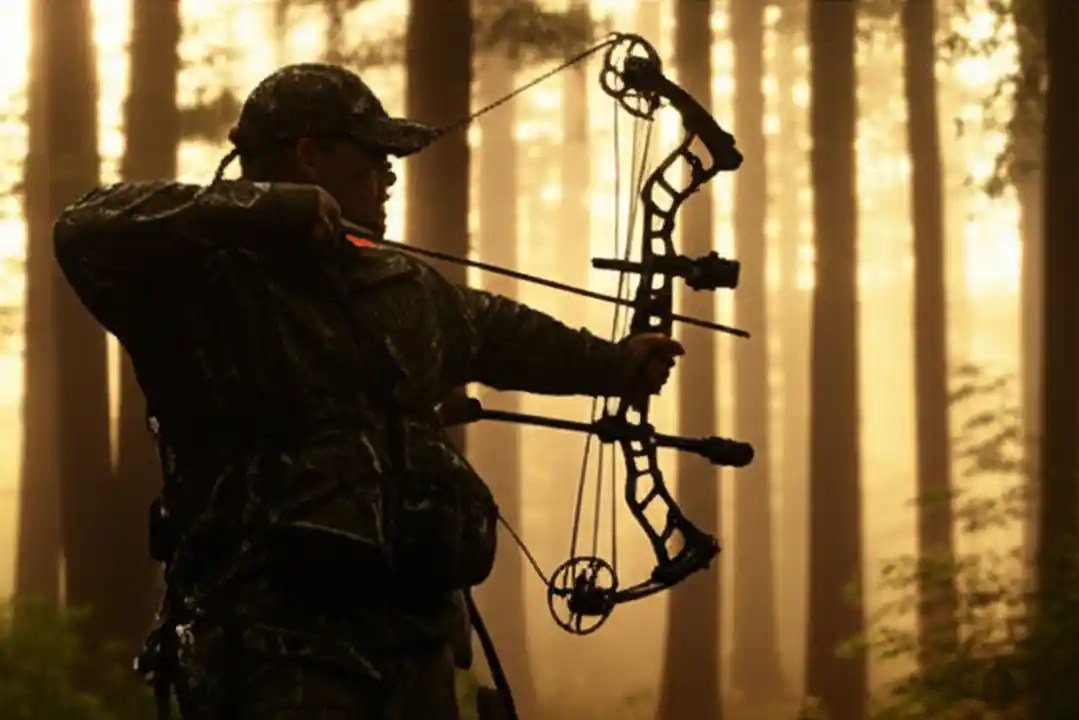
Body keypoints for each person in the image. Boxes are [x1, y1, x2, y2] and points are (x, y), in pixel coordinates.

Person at [53, 63, 684, 720]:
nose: (389, 175)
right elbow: (84, 228)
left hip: (414, 646)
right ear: (310, 155)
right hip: (274, 651)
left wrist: (615, 365)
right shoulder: (199, 287)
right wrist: (272, 206)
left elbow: (505, 334)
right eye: (375, 156)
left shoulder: (401, 289)